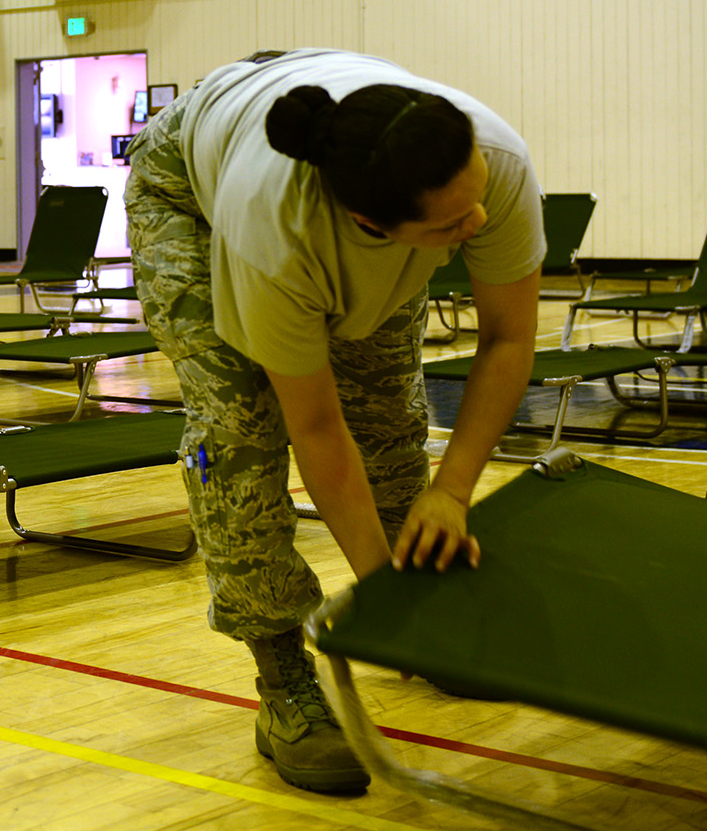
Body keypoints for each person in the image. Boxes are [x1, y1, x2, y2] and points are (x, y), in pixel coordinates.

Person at [124, 48, 543, 795]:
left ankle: (420, 616)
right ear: (367, 221)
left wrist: (449, 494)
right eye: (454, 225)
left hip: (314, 153)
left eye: (475, 203)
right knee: (241, 434)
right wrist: (373, 590)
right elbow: (314, 428)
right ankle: (284, 679)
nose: (478, 223)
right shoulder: (274, 232)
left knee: (387, 412)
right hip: (187, 191)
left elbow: (508, 338)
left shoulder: (491, 163)